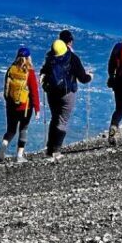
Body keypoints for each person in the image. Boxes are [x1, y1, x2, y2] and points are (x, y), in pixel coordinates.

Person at [40, 30, 93, 160]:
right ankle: (56, 151)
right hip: (67, 93)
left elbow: (43, 72)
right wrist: (90, 76)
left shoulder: (50, 57)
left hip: (52, 92)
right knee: (62, 120)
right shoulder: (73, 58)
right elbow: (83, 78)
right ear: (69, 43)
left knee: (54, 118)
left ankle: (49, 148)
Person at [0, 47, 41, 163]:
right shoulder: (29, 72)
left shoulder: (11, 70)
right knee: (23, 130)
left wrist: (8, 102)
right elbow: (34, 92)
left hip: (11, 106)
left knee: (11, 130)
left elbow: (6, 89)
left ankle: (3, 145)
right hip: (25, 107)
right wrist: (37, 109)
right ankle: (19, 156)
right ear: (28, 58)